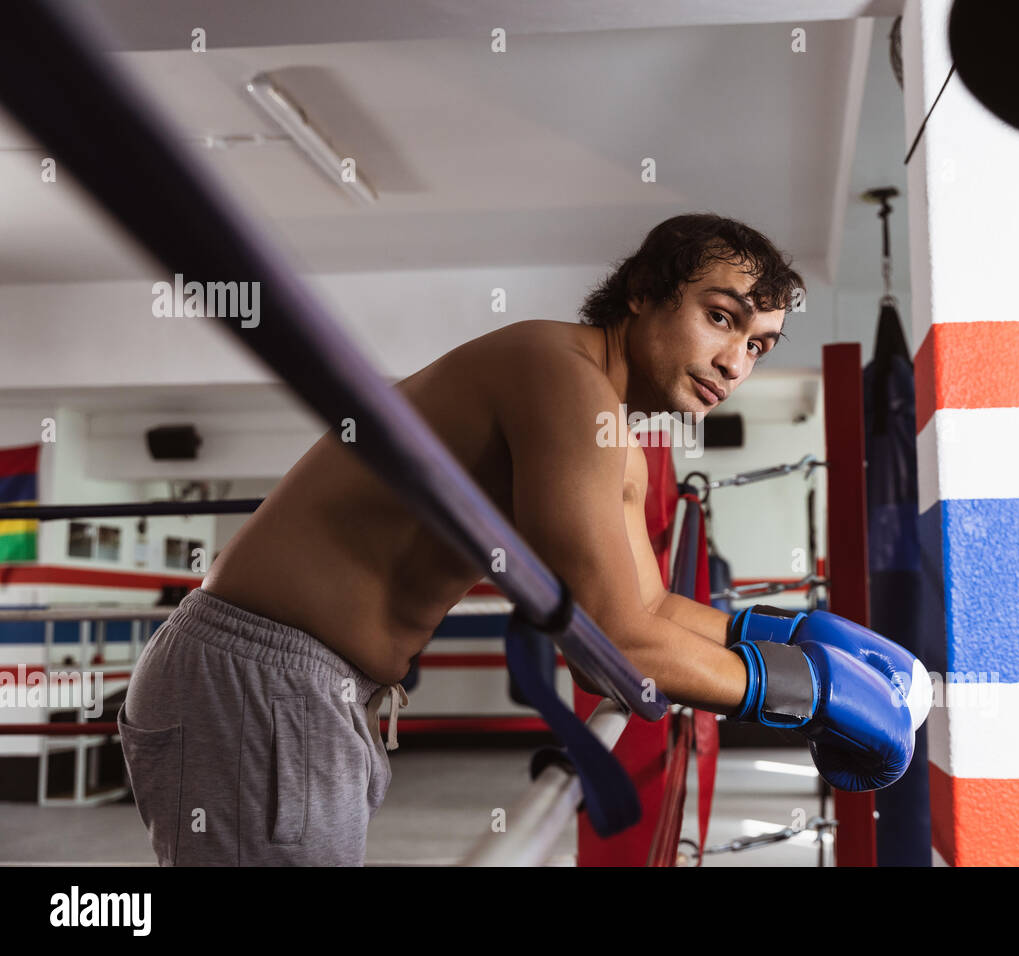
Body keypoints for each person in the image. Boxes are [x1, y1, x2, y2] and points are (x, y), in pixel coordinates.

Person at [118, 212, 923, 865]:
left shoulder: (617, 426)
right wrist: (811, 691)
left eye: (757, 345)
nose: (735, 360)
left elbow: (646, 605)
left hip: (312, 688)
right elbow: (616, 643)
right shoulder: (558, 374)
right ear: (643, 292)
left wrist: (787, 637)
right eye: (721, 317)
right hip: (261, 676)